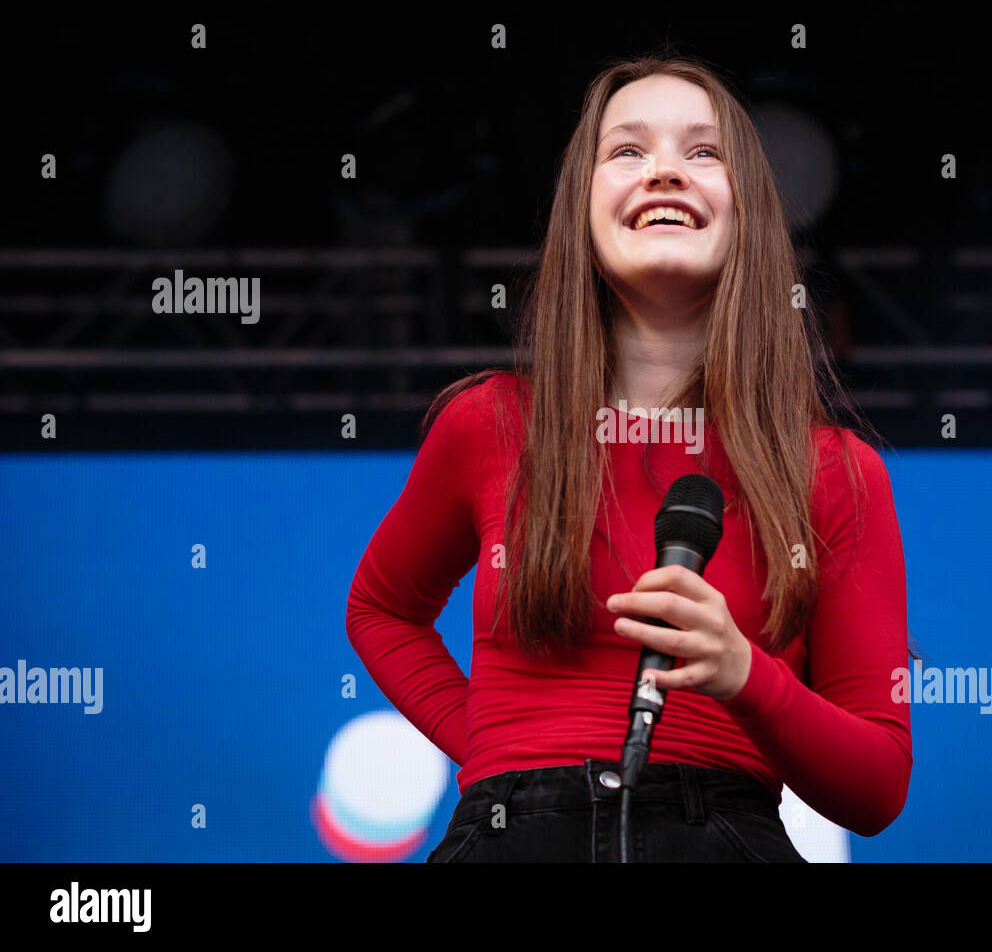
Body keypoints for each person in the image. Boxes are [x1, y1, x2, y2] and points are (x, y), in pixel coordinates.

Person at [345, 52, 913, 862]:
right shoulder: (489, 423)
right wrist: (499, 756)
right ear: (581, 211)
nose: (666, 173)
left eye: (703, 152)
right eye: (628, 152)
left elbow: (879, 786)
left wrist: (745, 674)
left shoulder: (836, 470)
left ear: (747, 212)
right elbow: (379, 609)